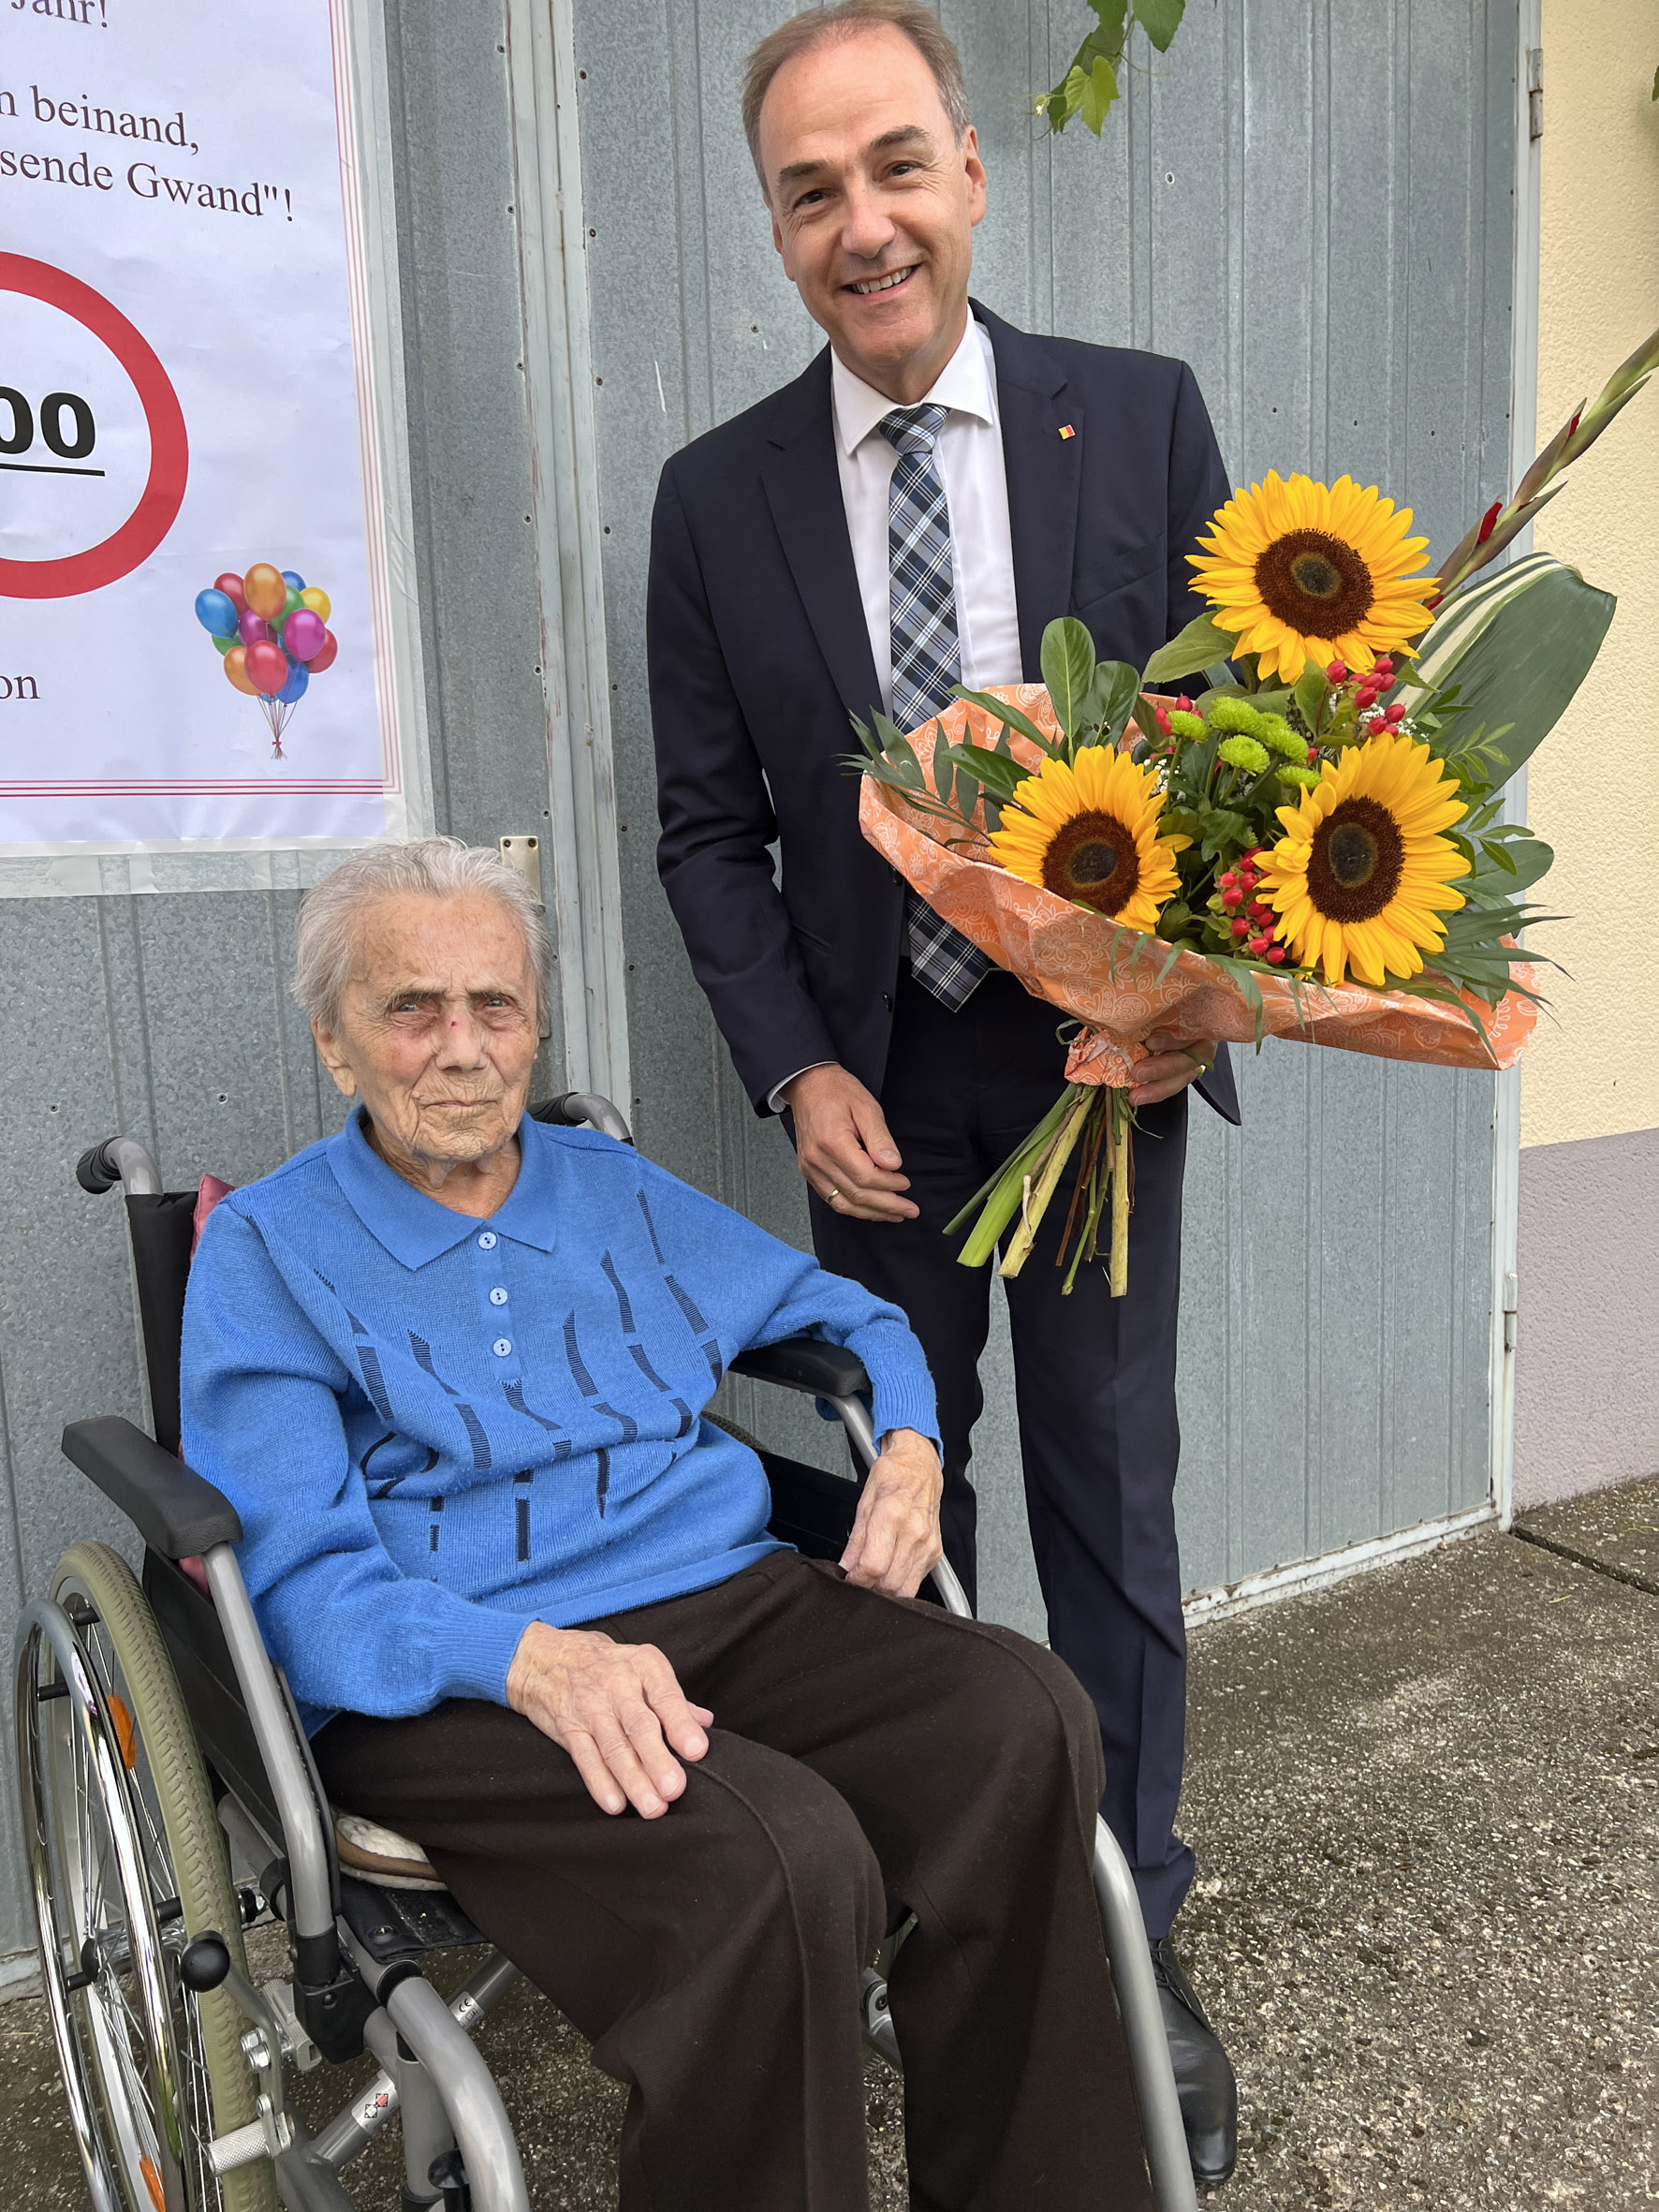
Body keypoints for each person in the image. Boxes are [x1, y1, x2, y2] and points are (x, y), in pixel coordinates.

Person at [180, 838, 1155, 2212]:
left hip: (725, 1598)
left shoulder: (609, 1188)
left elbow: (857, 1317)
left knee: (1027, 1719)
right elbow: (304, 1588)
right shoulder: (269, 1254)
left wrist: (917, 1443)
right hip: (462, 1676)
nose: (461, 1047)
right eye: (413, 1008)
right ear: (337, 1042)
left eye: (495, 1006)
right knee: (781, 1857)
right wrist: (531, 1658)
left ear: (533, 1027)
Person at [647, 0, 1241, 2185]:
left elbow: (1229, 768)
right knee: (914, 1501)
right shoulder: (715, 499)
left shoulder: (1139, 421)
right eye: (811, 190)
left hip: (1095, 1081)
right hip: (872, 1097)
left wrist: (1192, 996)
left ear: (970, 175)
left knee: (1109, 1499)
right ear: (775, 229)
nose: (861, 222)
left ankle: (1123, 1926)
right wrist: (792, 1062)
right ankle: (957, 1889)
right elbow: (708, 832)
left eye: (894, 166)